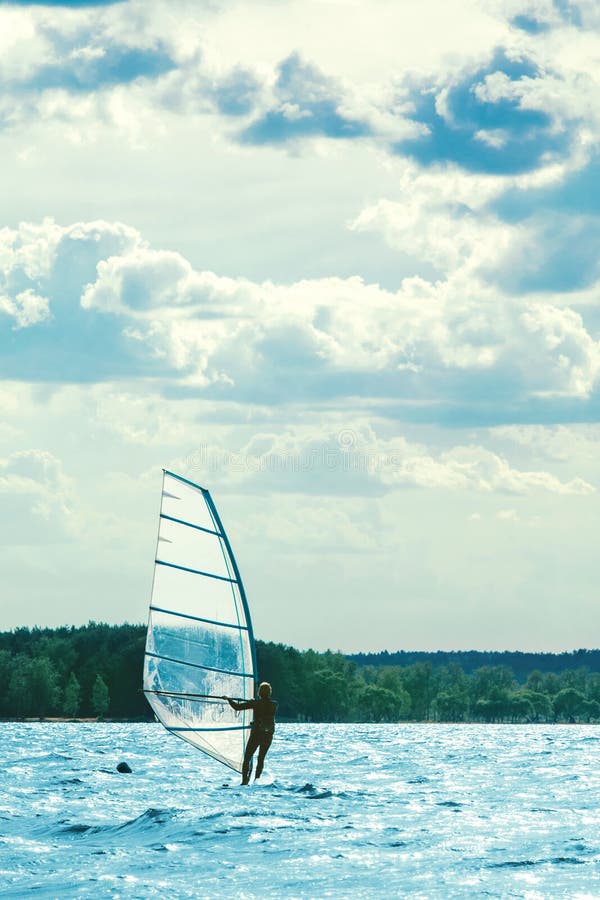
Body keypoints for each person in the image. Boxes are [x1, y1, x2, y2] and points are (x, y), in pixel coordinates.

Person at [225, 682, 277, 785]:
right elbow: (264, 706)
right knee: (261, 758)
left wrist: (228, 699)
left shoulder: (255, 703)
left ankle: (244, 781)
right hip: (268, 734)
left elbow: (237, 707)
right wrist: (253, 702)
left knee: (247, 757)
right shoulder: (274, 704)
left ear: (259, 692)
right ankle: (256, 780)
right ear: (269, 693)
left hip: (257, 734)